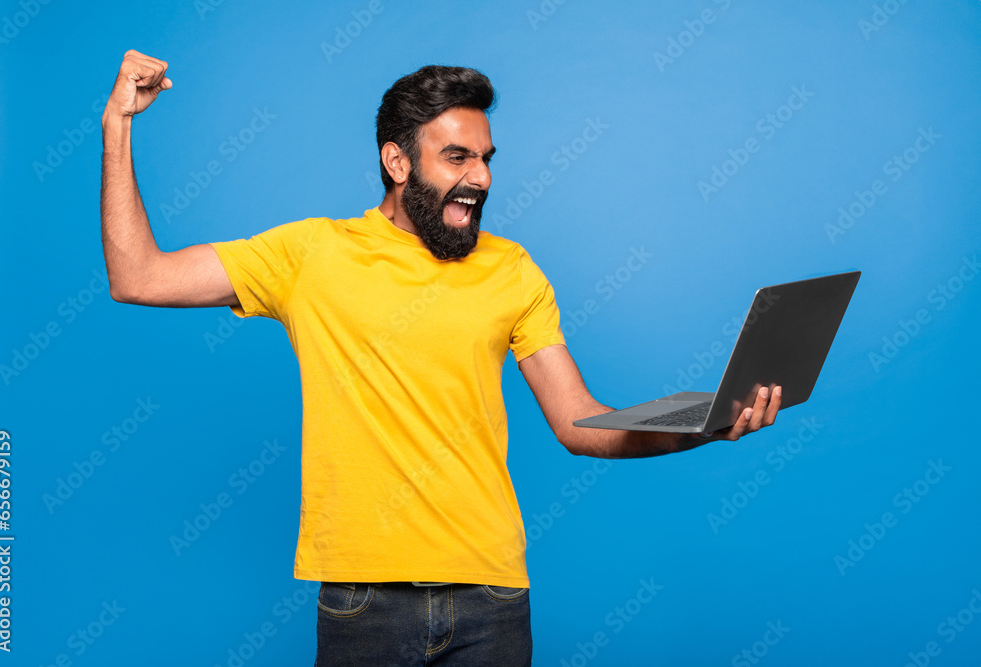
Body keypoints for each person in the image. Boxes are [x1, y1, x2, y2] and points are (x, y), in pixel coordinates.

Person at [100, 50, 781, 666]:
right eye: (457, 157)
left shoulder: (511, 270)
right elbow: (139, 276)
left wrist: (703, 423)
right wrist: (119, 127)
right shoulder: (311, 255)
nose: (480, 178)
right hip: (364, 602)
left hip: (492, 599)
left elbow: (581, 422)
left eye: (485, 158)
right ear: (398, 163)